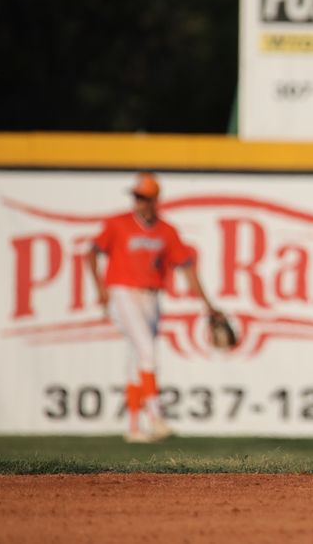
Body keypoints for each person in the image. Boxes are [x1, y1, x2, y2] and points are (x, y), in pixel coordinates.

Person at [85, 172, 220, 443]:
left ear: (155, 200)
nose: (139, 202)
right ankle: (156, 417)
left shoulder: (166, 232)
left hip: (151, 297)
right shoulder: (118, 224)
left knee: (138, 357)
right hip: (122, 292)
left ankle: (134, 427)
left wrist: (208, 306)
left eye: (144, 198)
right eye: (136, 196)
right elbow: (91, 252)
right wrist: (99, 287)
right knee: (147, 350)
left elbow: (187, 268)